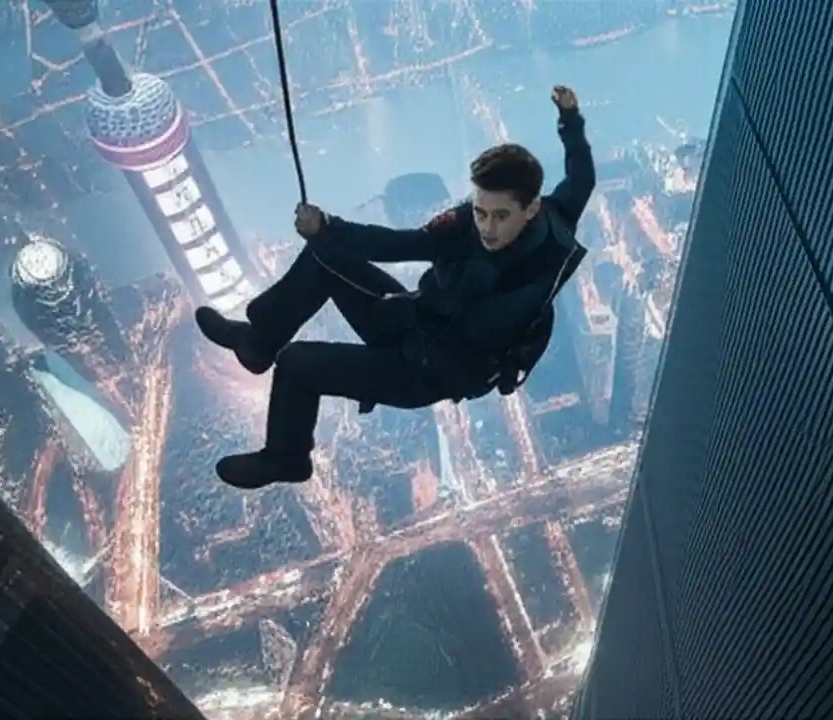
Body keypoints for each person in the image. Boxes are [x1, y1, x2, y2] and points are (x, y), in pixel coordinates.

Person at [196, 85, 596, 489]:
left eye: (501, 216)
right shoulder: (546, 214)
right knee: (323, 255)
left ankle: (286, 458)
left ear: (531, 209)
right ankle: (260, 341)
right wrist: (328, 228)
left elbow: (460, 324)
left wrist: (401, 307)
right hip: (416, 322)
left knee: (297, 362)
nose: (487, 228)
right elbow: (580, 177)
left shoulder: (524, 285)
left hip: (429, 370)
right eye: (481, 212)